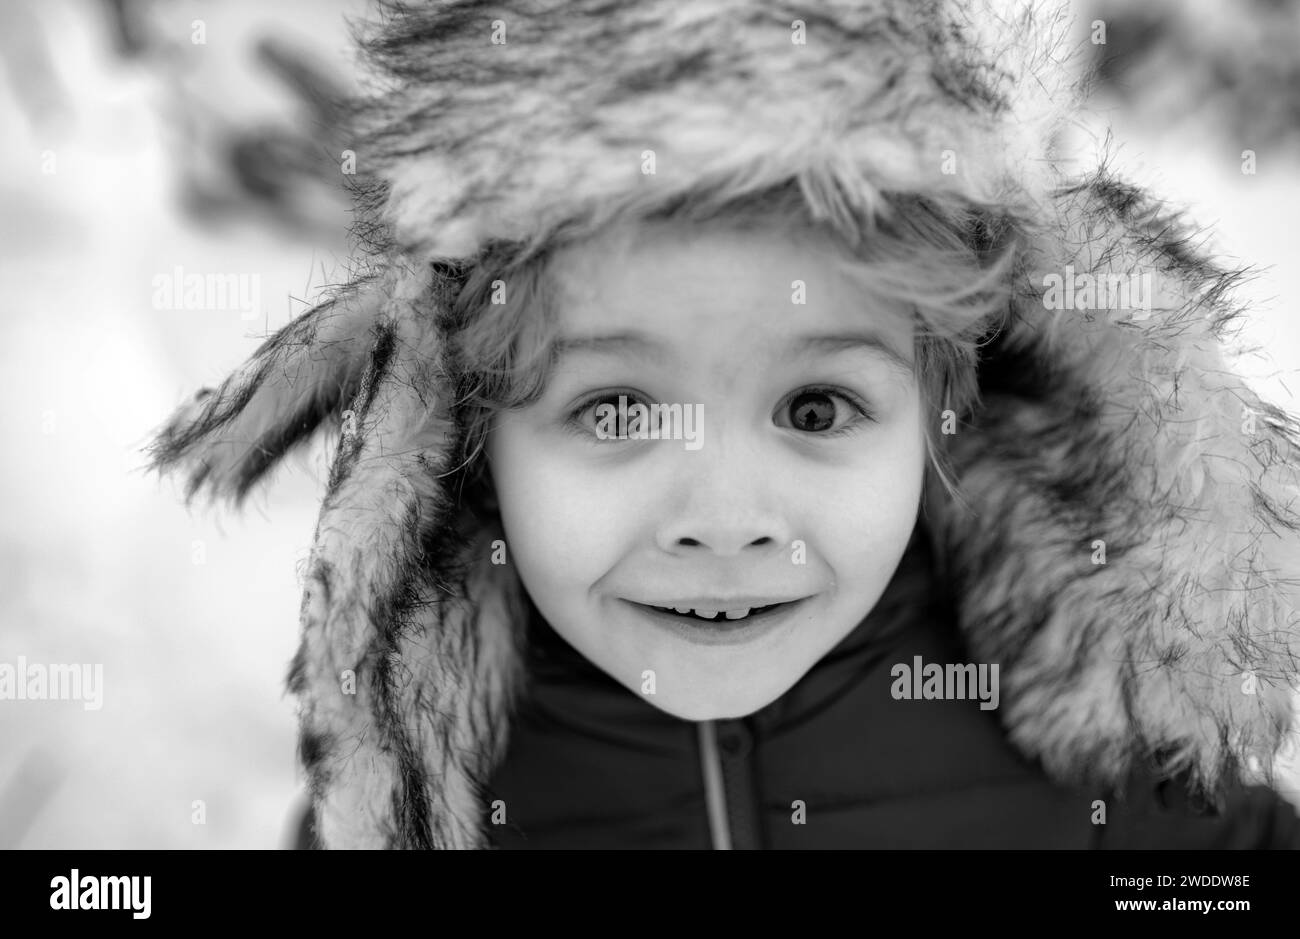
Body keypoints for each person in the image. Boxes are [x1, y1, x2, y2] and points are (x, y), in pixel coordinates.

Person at [147, 0, 1300, 849]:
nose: (723, 521)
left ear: (938, 417)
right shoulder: (425, 787)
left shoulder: (1083, 711)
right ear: (472, 435)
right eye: (613, 409)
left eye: (814, 408)